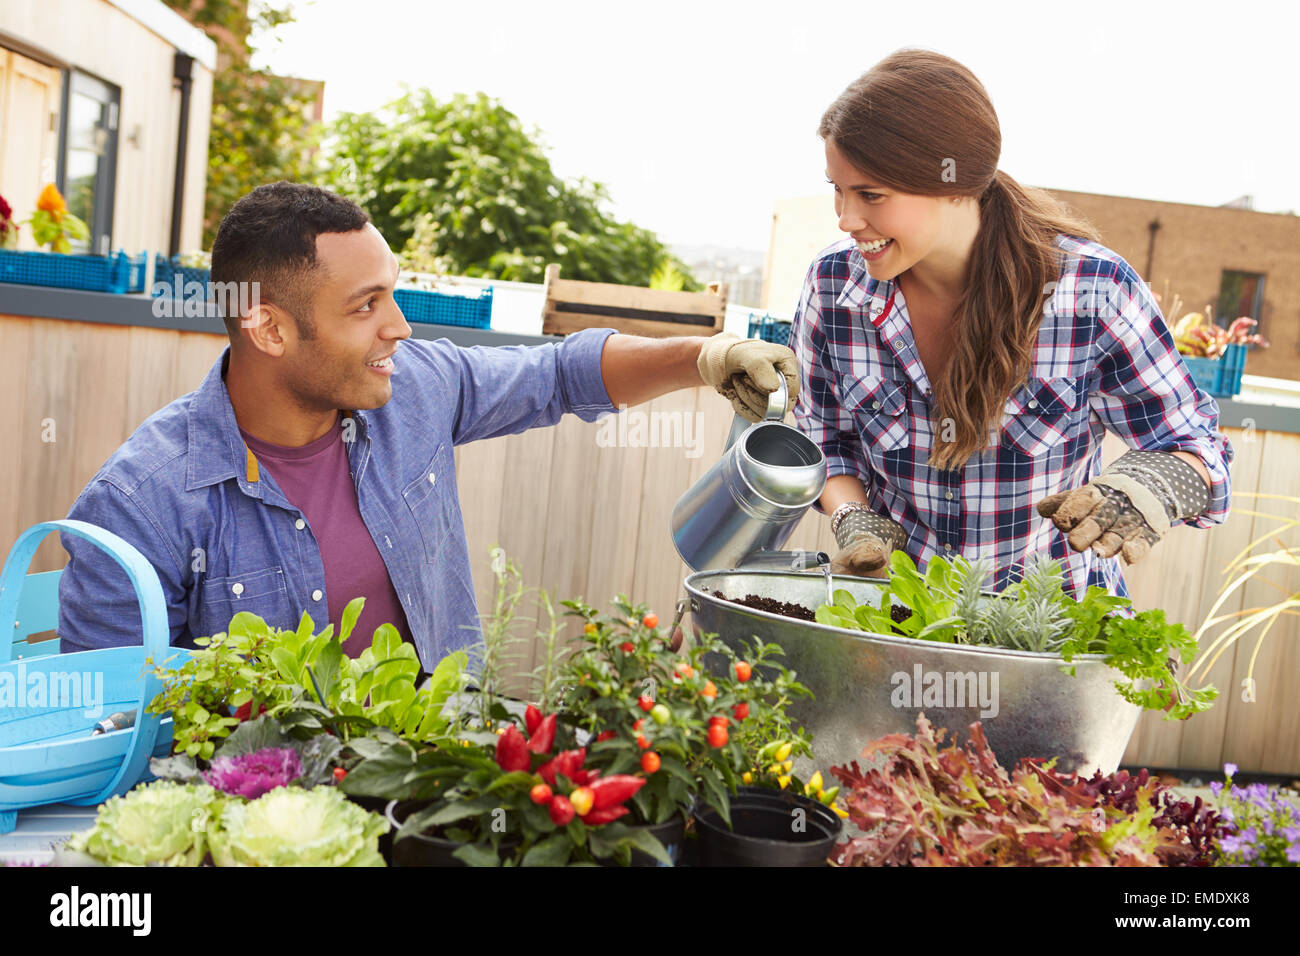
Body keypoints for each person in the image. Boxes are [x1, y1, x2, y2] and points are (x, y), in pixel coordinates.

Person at [56, 182, 798, 668]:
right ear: (269, 329)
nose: (401, 328)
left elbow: (561, 373)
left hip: (443, 782)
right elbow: (110, 730)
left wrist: (704, 356)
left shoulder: (411, 392)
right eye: (365, 305)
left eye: (394, 297)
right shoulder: (139, 504)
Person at [790, 50, 1232, 599]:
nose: (846, 219)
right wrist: (853, 515)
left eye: (871, 195)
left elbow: (1198, 446)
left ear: (956, 184)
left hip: (1049, 635)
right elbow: (821, 436)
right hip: (895, 616)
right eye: (838, 187)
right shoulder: (834, 287)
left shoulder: (1090, 290)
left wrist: (1156, 484)